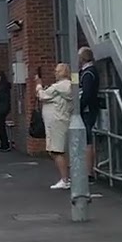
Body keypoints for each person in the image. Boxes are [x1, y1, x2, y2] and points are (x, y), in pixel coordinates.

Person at [35, 63, 74, 191]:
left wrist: (39, 85)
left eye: (57, 71)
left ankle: (64, 179)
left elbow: (42, 96)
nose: (55, 73)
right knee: (60, 150)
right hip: (62, 120)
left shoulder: (57, 87)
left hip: (56, 122)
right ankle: (67, 177)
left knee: (56, 150)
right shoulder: (69, 86)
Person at [77, 47, 101, 183]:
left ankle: (89, 172)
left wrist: (79, 108)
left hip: (87, 110)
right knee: (86, 140)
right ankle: (87, 170)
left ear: (82, 58)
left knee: (87, 140)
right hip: (88, 109)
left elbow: (86, 94)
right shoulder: (86, 72)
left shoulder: (88, 74)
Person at [0, 71, 12, 152]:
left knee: (1, 127)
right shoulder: (4, 86)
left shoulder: (3, 87)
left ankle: (5, 144)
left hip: (2, 109)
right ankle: (3, 144)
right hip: (3, 108)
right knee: (1, 127)